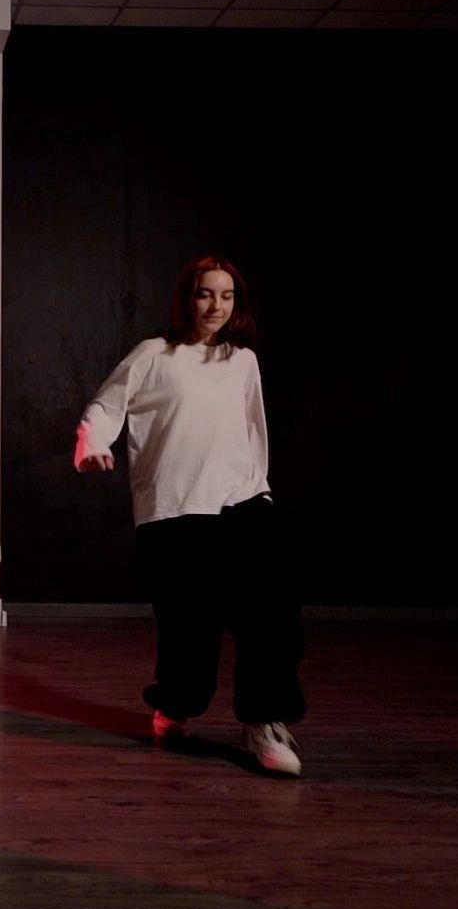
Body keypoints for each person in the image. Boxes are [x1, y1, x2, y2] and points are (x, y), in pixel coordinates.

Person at [74, 255, 305, 775]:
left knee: (272, 612)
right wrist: (92, 444)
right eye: (206, 294)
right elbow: (107, 406)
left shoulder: (242, 362)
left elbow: (253, 431)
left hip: (243, 501)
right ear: (187, 298)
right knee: (190, 629)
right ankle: (176, 703)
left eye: (226, 296)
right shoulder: (155, 355)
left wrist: (260, 490)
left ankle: (263, 720)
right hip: (174, 508)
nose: (216, 306)